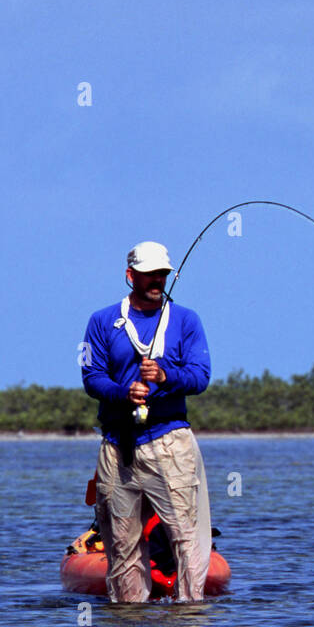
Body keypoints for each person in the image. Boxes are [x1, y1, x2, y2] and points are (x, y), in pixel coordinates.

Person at [80, 241, 213, 602]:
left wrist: (167, 377)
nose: (158, 280)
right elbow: (92, 377)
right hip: (118, 445)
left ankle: (188, 621)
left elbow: (201, 376)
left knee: (186, 540)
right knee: (121, 546)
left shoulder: (187, 320)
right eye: (150, 274)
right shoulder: (101, 321)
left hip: (170, 442)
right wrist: (124, 392)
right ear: (130, 276)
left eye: (162, 274)